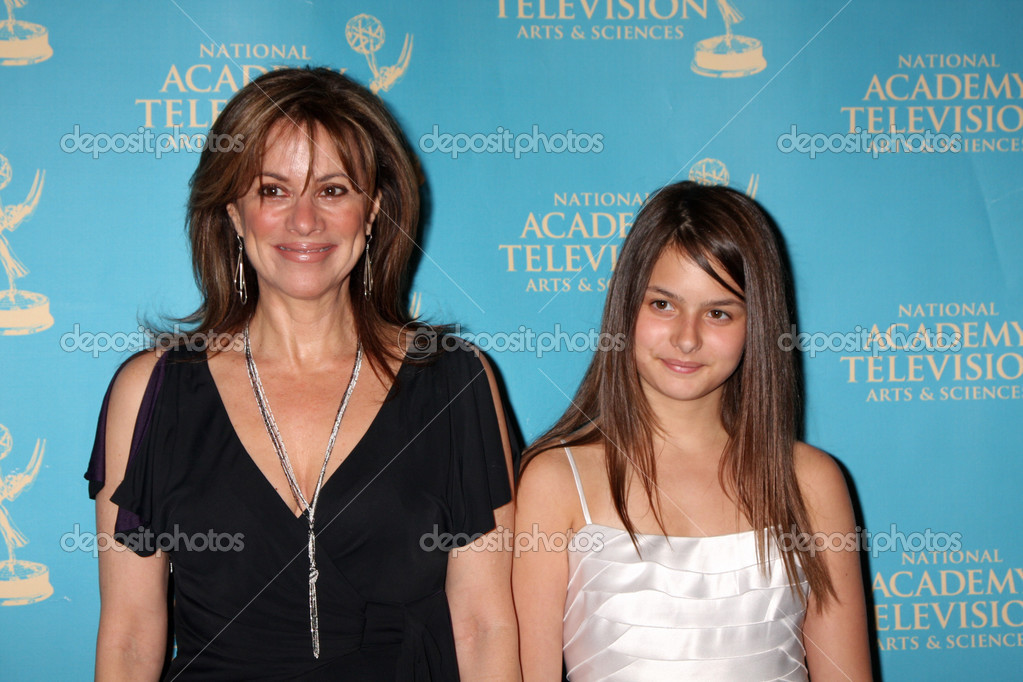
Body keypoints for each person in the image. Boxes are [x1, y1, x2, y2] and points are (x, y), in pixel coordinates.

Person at [85, 67, 518, 680]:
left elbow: (484, 624)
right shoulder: (151, 393)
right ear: (234, 213)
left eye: (334, 190)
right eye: (274, 190)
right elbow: (129, 634)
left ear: (374, 212)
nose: (305, 221)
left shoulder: (456, 383)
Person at [513, 181, 871, 681]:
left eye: (719, 312)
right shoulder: (555, 482)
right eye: (663, 304)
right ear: (626, 306)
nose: (686, 338)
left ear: (758, 326)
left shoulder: (811, 483)